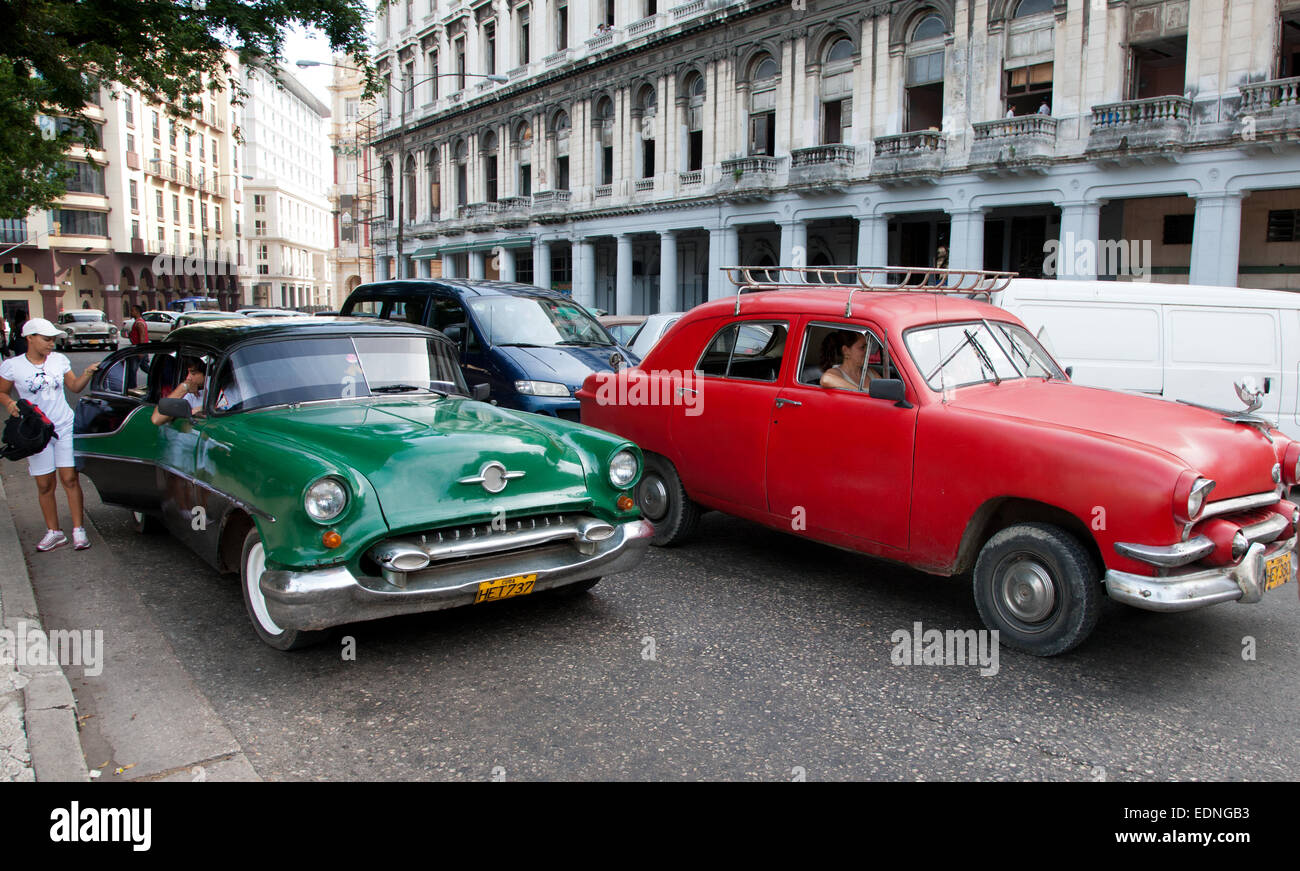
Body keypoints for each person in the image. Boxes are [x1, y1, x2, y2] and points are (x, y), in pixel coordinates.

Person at [0, 317, 100, 552]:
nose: (51, 344)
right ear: (30, 338)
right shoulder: (13, 365)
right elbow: (2, 392)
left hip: (64, 425)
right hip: (36, 432)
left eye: (53, 340)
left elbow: (74, 387)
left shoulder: (59, 360)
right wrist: (10, 404)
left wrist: (87, 373)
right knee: (45, 483)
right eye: (46, 340)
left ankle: (78, 530)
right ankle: (54, 532)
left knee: (69, 478)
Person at [151, 359, 206, 425]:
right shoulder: (192, 395)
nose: (188, 378)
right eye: (188, 373)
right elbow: (157, 419)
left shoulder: (219, 397)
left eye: (193, 374)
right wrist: (183, 387)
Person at [125, 305, 149, 389]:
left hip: (138, 350)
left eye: (132, 311)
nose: (131, 312)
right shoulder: (138, 322)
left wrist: (140, 351)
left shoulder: (139, 323)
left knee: (132, 370)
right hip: (140, 349)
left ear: (137, 312)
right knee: (145, 367)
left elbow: (142, 336)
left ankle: (131, 387)